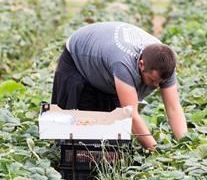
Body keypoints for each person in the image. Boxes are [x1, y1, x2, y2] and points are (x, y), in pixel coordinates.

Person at [51, 21, 187, 151]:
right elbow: (131, 115)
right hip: (79, 57)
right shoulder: (123, 64)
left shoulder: (165, 66)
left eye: (160, 82)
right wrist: (154, 151)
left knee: (113, 130)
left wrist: (184, 144)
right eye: (152, 80)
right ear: (141, 64)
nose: (156, 85)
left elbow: (174, 108)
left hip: (107, 56)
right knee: (81, 130)